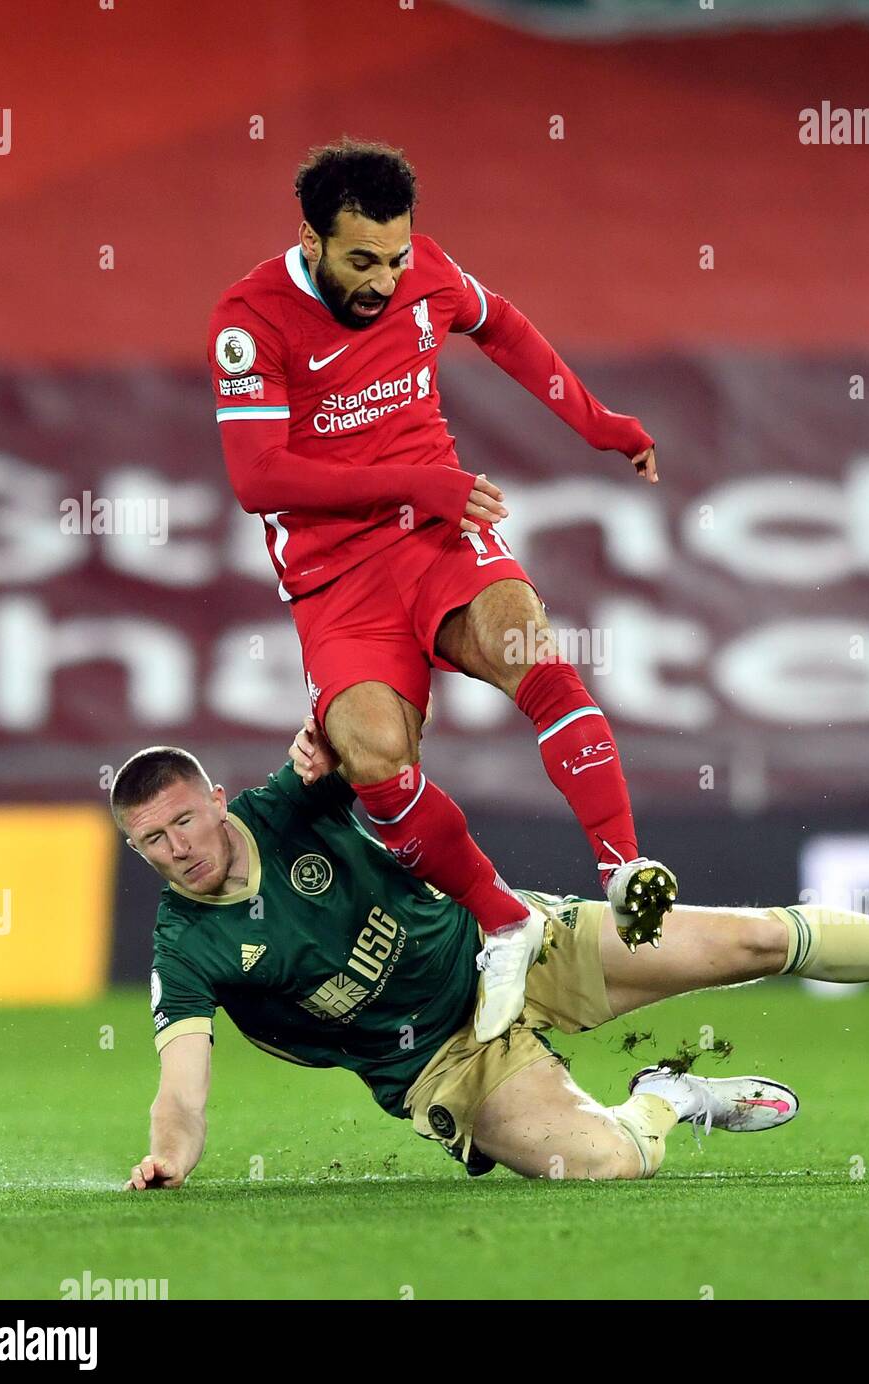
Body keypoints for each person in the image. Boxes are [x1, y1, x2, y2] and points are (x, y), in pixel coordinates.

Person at [117, 724, 869, 1188]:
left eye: (184, 823)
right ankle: (671, 1095)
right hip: (442, 1061)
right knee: (599, 1165)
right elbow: (183, 1079)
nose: (179, 852)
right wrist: (169, 1153)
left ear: (212, 798)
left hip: (514, 944)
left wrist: (343, 719)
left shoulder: (290, 804)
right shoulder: (186, 940)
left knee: (755, 936)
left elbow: (368, 725)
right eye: (152, 845)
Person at [208, 136, 676, 1041]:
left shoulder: (424, 270)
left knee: (527, 645)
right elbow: (260, 478)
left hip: (437, 538)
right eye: (359, 261)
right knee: (373, 752)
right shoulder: (250, 318)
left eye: (394, 257)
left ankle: (621, 868)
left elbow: (500, 324)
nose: (384, 281)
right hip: (333, 580)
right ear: (308, 238)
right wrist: (411, 482)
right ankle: (503, 921)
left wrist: (599, 422)